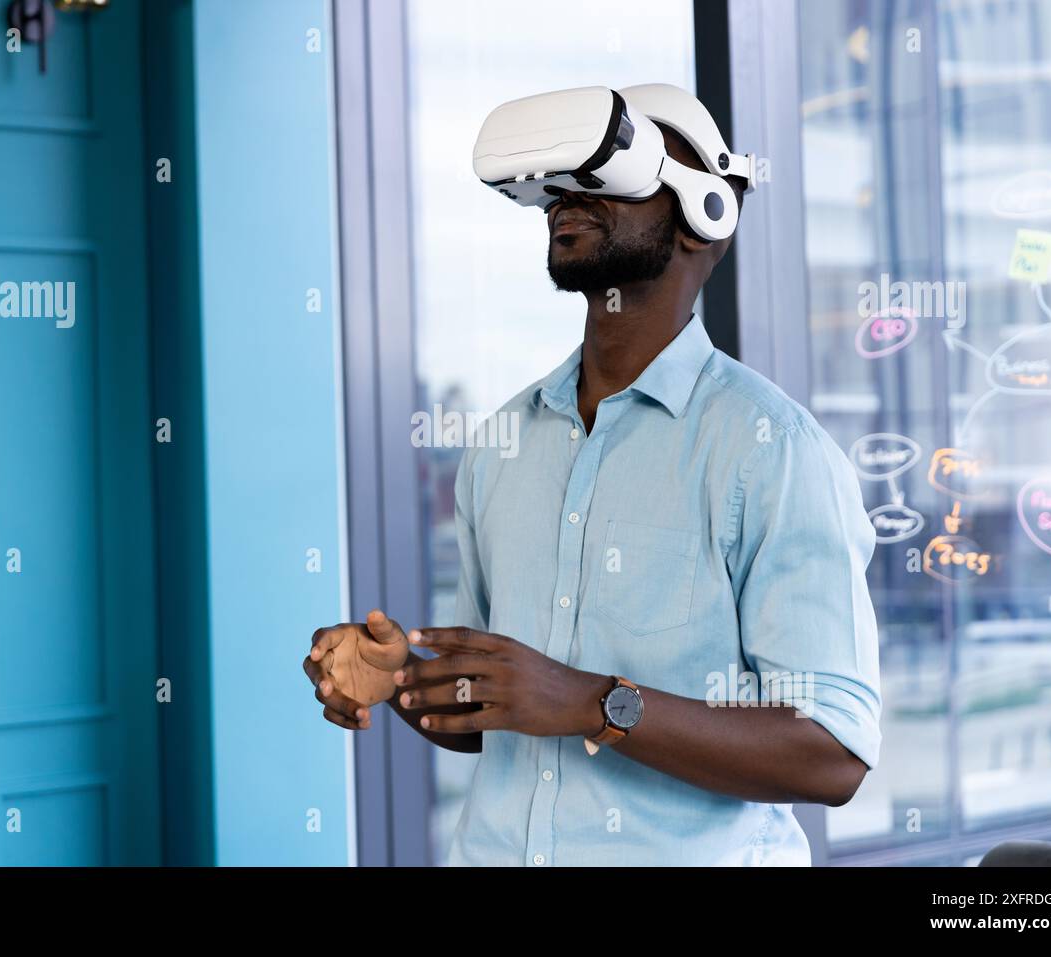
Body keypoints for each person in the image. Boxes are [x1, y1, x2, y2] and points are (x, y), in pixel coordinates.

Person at [303, 85, 881, 866]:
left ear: (704, 214)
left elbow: (834, 753)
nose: (571, 195)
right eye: (564, 181)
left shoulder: (773, 452)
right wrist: (401, 674)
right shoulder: (503, 443)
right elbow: (492, 714)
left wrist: (589, 703)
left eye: (615, 172)